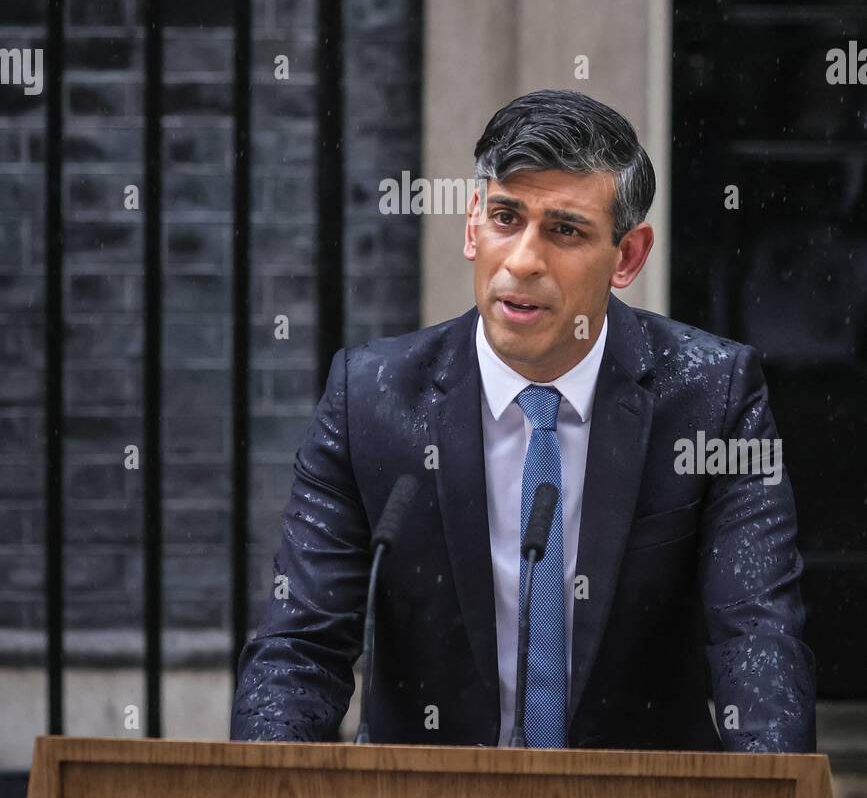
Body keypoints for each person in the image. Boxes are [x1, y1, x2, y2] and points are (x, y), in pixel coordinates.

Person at [230, 88, 816, 751]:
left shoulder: (712, 395)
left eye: (565, 230)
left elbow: (756, 637)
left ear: (627, 256)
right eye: (506, 218)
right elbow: (300, 647)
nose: (523, 261)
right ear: (471, 223)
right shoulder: (370, 398)